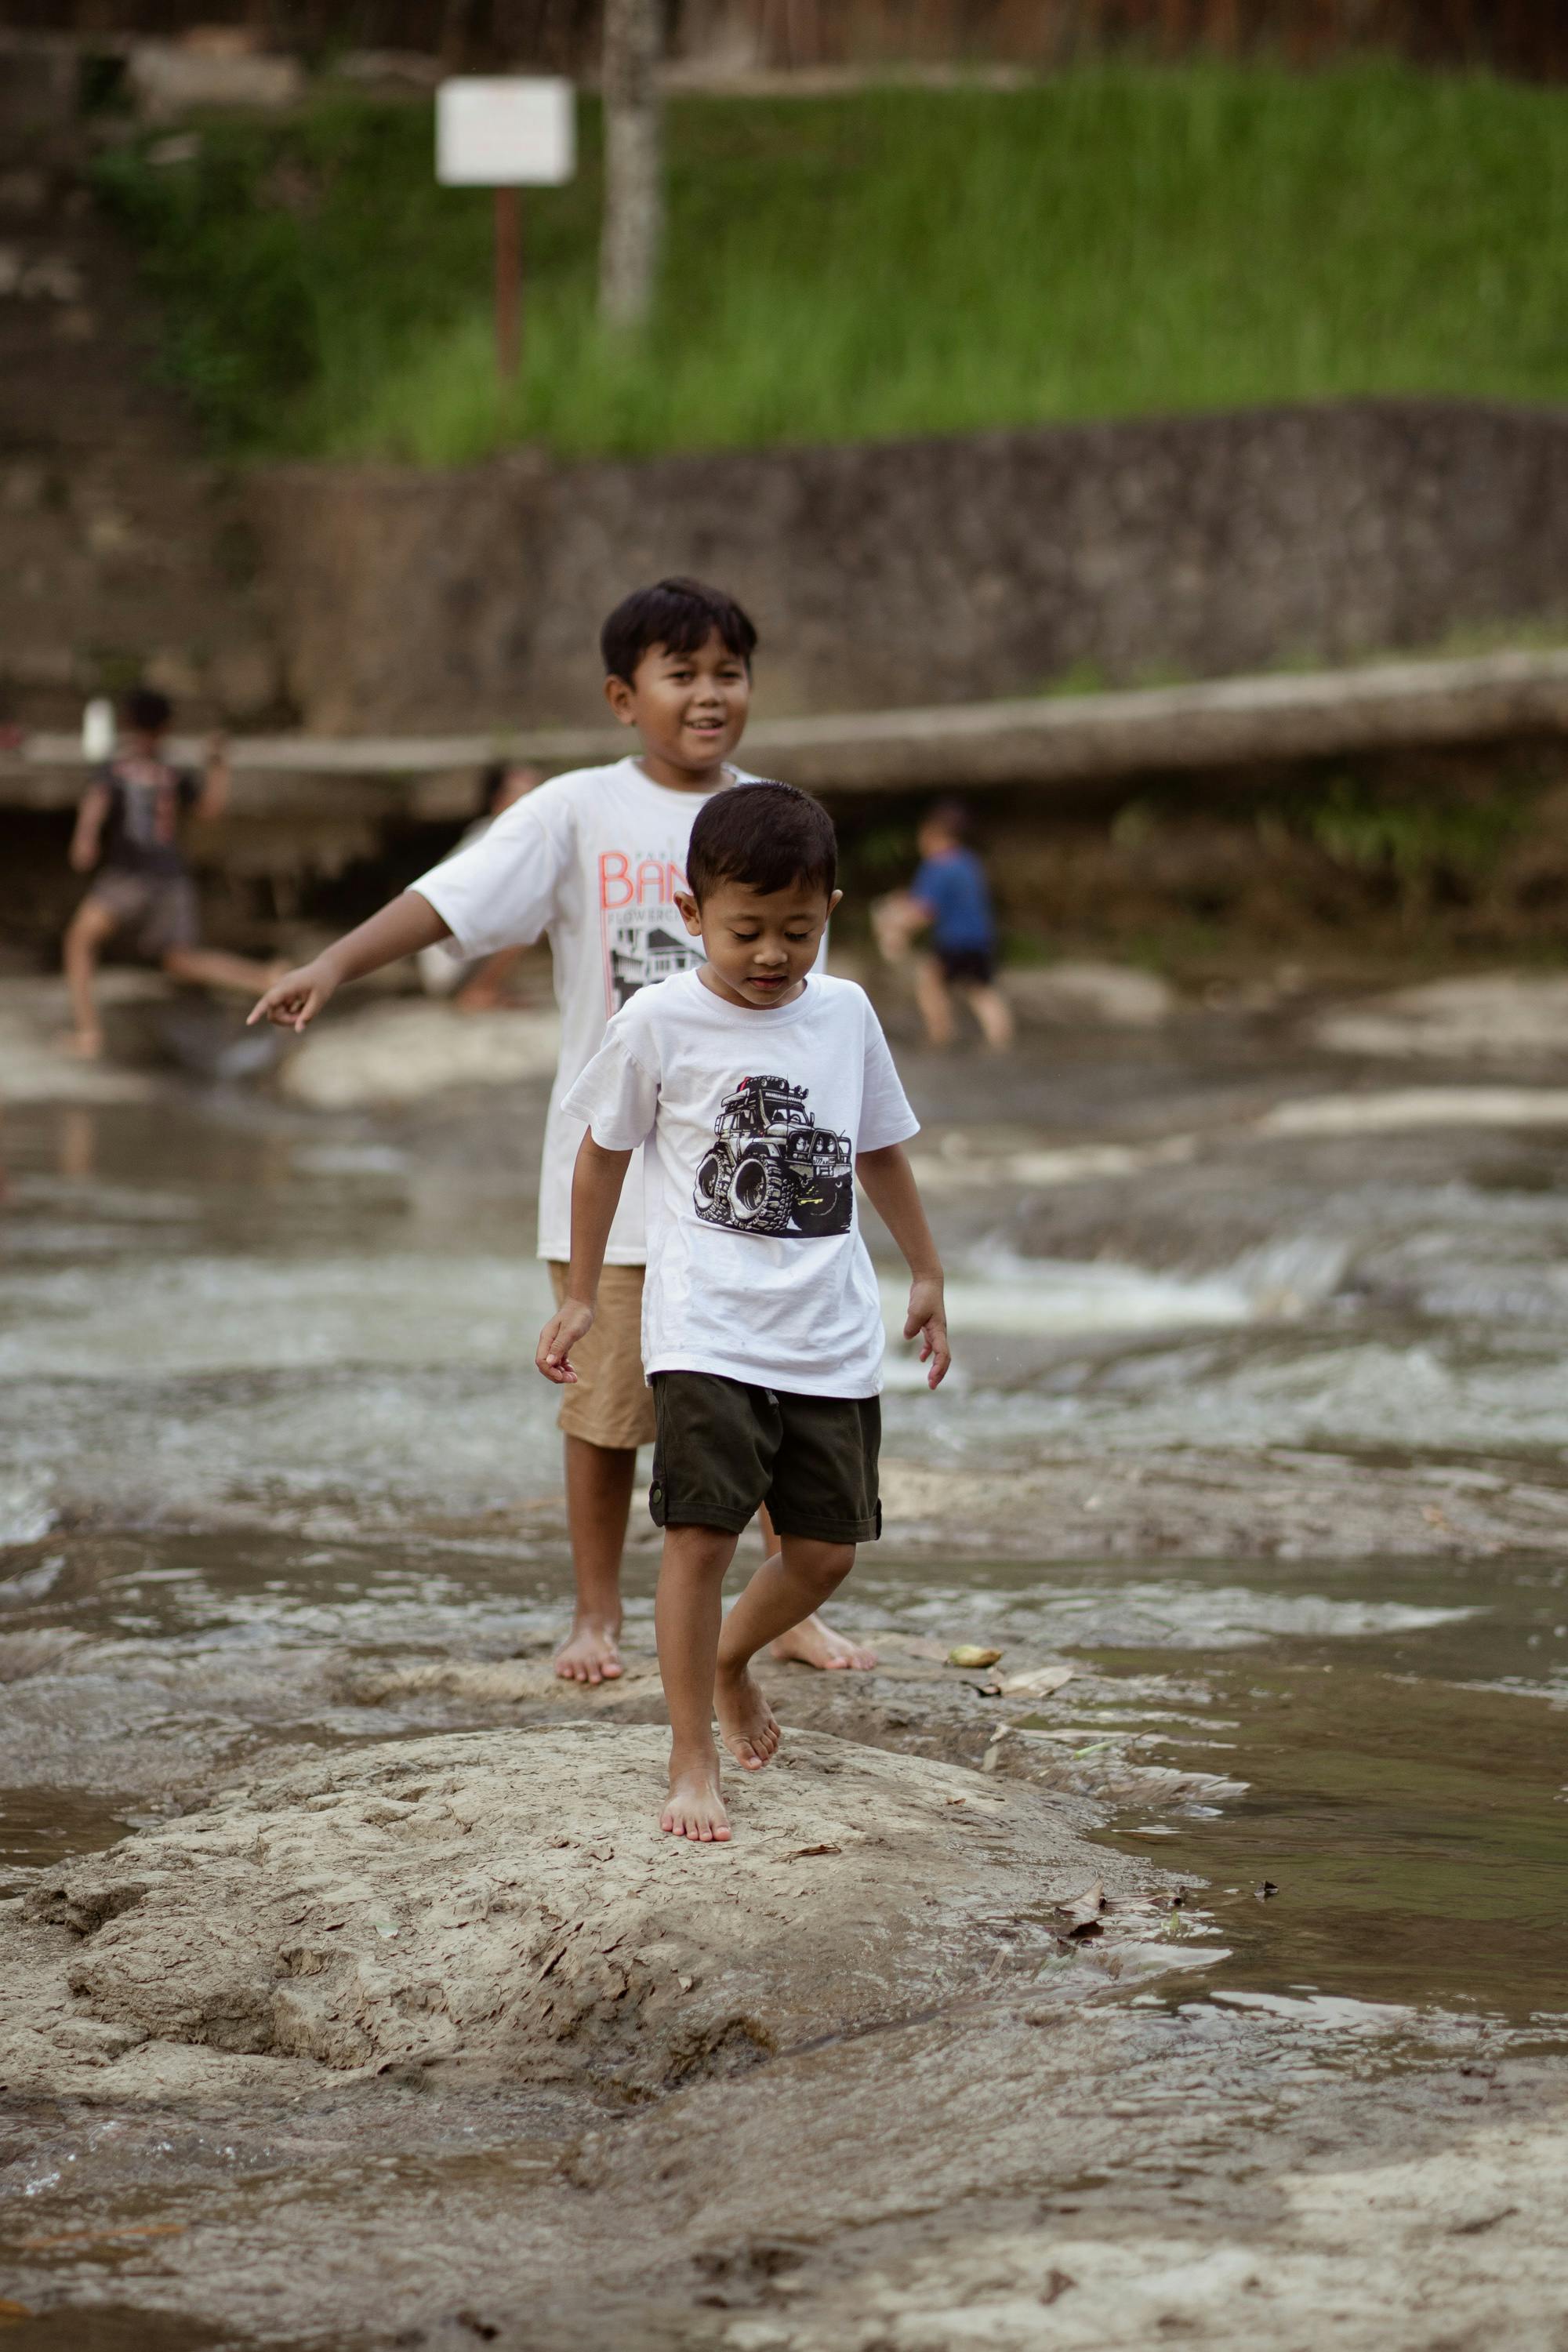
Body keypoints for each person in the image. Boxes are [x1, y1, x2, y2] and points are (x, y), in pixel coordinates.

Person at [248, 577, 875, 1687]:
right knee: (606, 1404)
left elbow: (815, 973)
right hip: (623, 1181)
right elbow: (455, 899)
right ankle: (596, 1614)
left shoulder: (772, 807)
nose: (710, 695)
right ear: (622, 696)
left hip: (758, 1188)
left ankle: (781, 1608)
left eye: (729, 673)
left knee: (777, 1389)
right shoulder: (576, 812)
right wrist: (336, 963)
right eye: (681, 674)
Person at [536, 782, 950, 1842]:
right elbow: (603, 1154)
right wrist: (582, 1294)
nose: (772, 955)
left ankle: (729, 1657)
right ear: (692, 915)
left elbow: (879, 1147)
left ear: (833, 911)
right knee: (699, 1538)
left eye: (798, 932)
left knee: (825, 1554)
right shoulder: (660, 1018)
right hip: (704, 1330)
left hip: (827, 1331)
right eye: (746, 931)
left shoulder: (846, 1011)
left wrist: (928, 1274)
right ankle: (689, 1755)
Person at [62, 687, 281, 1059]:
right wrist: (218, 765)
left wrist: (84, 841)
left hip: (128, 875)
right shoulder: (172, 771)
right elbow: (211, 809)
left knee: (80, 941)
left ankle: (88, 1032)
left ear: (128, 723)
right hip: (168, 876)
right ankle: (266, 979)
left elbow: (94, 808)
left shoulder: (115, 767)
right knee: (180, 960)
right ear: (167, 727)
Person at [416, 761, 543, 1008]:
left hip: (456, 957)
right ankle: (478, 991)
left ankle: (484, 987)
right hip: (450, 966)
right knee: (534, 904)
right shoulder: (495, 841)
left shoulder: (488, 833)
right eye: (523, 795)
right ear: (499, 801)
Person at [898, 800, 1014, 1051]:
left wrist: (897, 930)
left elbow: (924, 911)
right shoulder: (969, 862)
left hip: (954, 940)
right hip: (981, 938)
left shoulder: (938, 866)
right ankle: (1001, 1039)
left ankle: (940, 1035)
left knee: (929, 981)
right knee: (981, 988)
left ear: (932, 833)